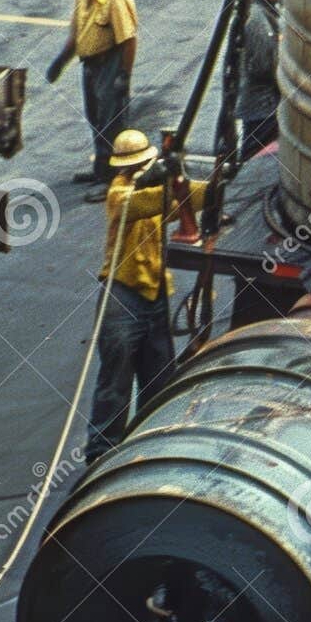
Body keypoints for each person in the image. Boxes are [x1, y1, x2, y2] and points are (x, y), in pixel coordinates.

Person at [87, 128, 210, 459]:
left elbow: (190, 199)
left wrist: (215, 186)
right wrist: (169, 180)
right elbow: (147, 201)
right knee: (115, 383)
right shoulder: (120, 195)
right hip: (121, 297)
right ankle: (100, 454)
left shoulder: (157, 192)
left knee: (159, 381)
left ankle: (152, 446)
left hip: (154, 297)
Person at [46, 0, 139, 203]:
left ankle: (111, 177)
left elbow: (129, 40)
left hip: (111, 62)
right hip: (90, 64)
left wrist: (124, 75)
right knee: (95, 118)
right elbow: (77, 33)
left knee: (112, 121)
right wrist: (60, 62)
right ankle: (101, 168)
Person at [238, 0, 283, 160]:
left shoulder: (265, 13)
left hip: (265, 104)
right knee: (255, 154)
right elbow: (262, 66)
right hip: (262, 106)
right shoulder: (258, 20)